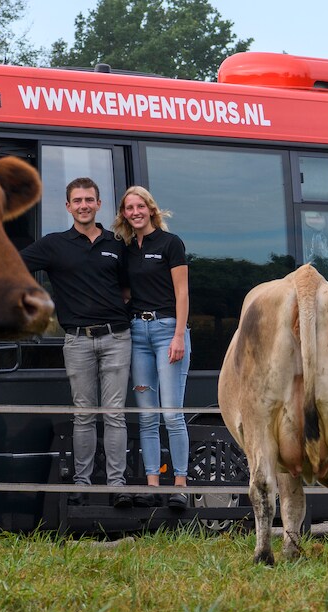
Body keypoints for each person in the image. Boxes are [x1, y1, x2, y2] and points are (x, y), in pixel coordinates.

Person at [20, 177, 134, 508]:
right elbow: (14, 265)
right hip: (77, 341)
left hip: (116, 337)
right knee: (83, 414)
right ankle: (82, 483)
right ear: (68, 207)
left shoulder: (117, 243)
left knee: (114, 414)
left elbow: (128, 289)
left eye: (89, 199)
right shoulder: (53, 244)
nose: (83, 205)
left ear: (99, 205)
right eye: (77, 200)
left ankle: (117, 484)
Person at [112, 186, 191, 511]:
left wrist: (177, 336)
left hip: (167, 333)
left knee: (171, 414)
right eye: (129, 208)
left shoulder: (171, 244)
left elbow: (182, 293)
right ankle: (152, 484)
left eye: (139, 206)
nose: (135, 212)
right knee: (147, 416)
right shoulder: (127, 249)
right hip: (138, 334)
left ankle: (180, 486)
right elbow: (127, 292)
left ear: (151, 209)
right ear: (124, 214)